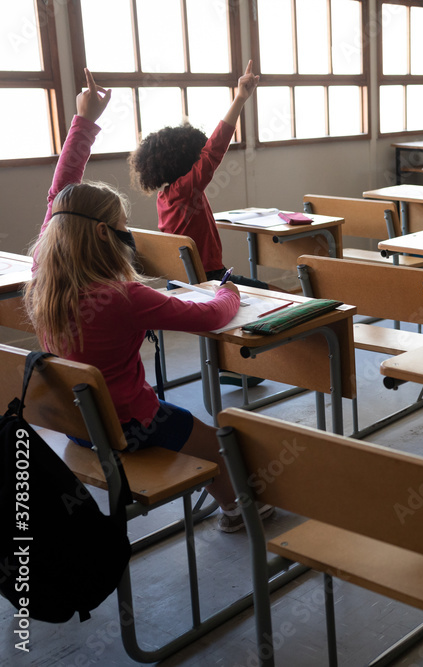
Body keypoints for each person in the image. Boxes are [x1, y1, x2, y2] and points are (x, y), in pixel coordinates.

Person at [26, 69, 271, 533]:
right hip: (130, 423)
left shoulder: (43, 274)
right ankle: (240, 512)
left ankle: (232, 509)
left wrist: (84, 122)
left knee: (191, 430)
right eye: (121, 225)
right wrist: (227, 289)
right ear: (105, 234)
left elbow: (59, 196)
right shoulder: (124, 295)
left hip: (76, 422)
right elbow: (211, 316)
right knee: (217, 443)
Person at [129, 60, 267, 288]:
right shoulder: (184, 190)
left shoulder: (165, 196)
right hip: (206, 282)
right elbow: (214, 150)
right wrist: (240, 99)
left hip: (181, 279)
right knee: (282, 296)